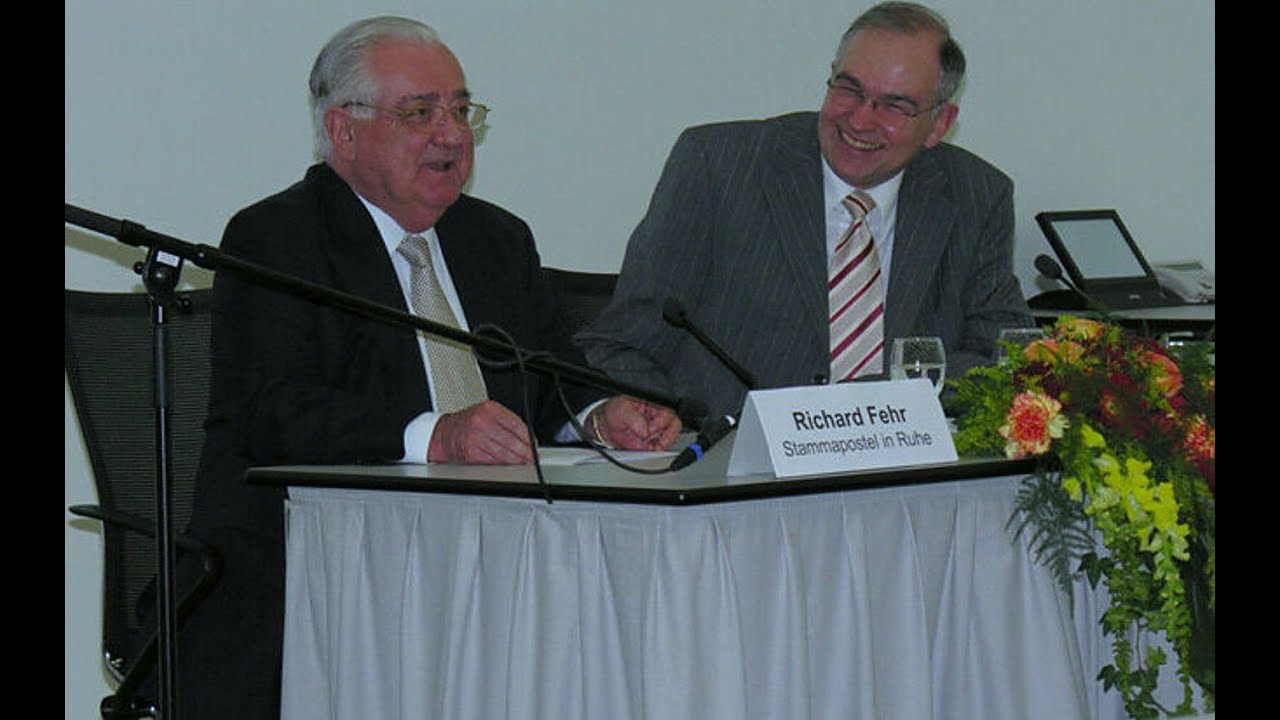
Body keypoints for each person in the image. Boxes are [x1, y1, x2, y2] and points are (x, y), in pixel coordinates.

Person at [146, 16, 682, 718]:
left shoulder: (495, 238)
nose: (452, 133)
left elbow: (552, 377)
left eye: (461, 109)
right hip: (314, 575)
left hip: (500, 570)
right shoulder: (276, 238)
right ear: (343, 131)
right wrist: (435, 435)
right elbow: (274, 411)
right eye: (420, 112)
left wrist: (598, 413)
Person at [576, 2, 1033, 421]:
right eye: (848, 88)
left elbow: (1006, 357)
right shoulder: (719, 166)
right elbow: (622, 343)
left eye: (894, 105)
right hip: (730, 472)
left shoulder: (977, 194)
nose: (859, 120)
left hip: (896, 475)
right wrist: (642, 411)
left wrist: (871, 404)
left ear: (939, 124)